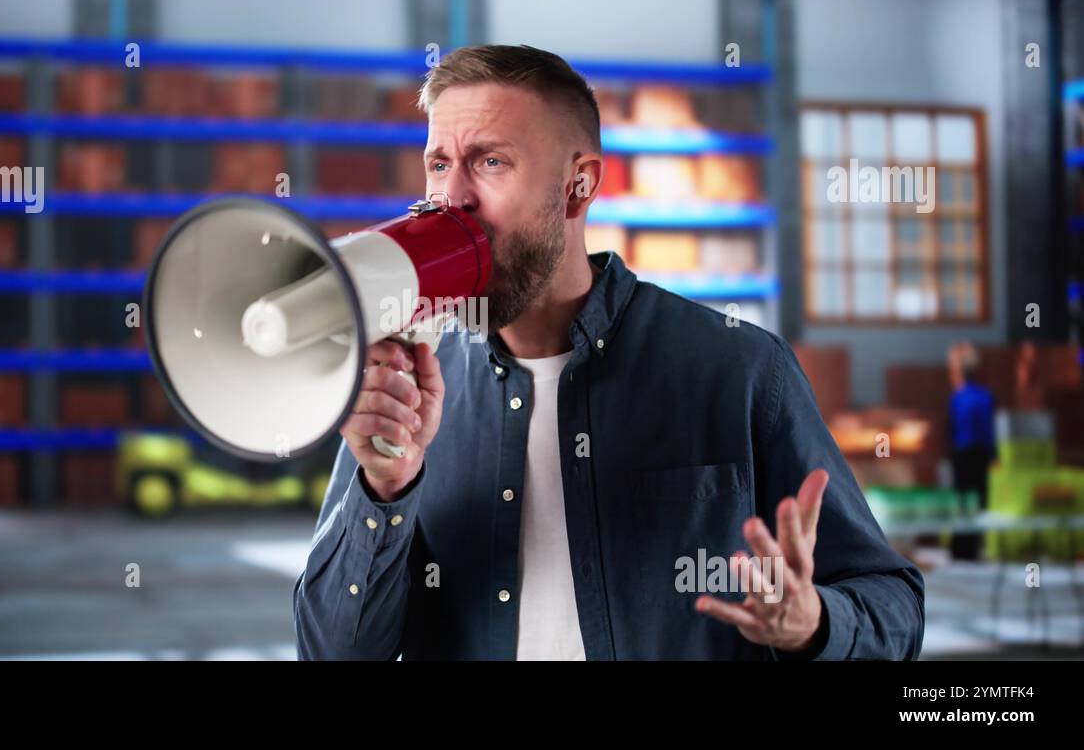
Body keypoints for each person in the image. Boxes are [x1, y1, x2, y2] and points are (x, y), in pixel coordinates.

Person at [293, 45, 924, 660]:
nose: (450, 197)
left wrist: (812, 624)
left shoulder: (738, 370)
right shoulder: (408, 382)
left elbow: (892, 607)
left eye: (490, 163)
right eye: (438, 164)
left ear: (578, 184)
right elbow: (333, 652)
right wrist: (385, 489)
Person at [947, 342, 995, 560]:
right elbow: (987, 429)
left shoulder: (959, 398)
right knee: (976, 499)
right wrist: (993, 454)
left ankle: (962, 546)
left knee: (963, 498)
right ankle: (970, 546)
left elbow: (954, 429)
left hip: (963, 454)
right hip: (976, 453)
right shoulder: (982, 397)